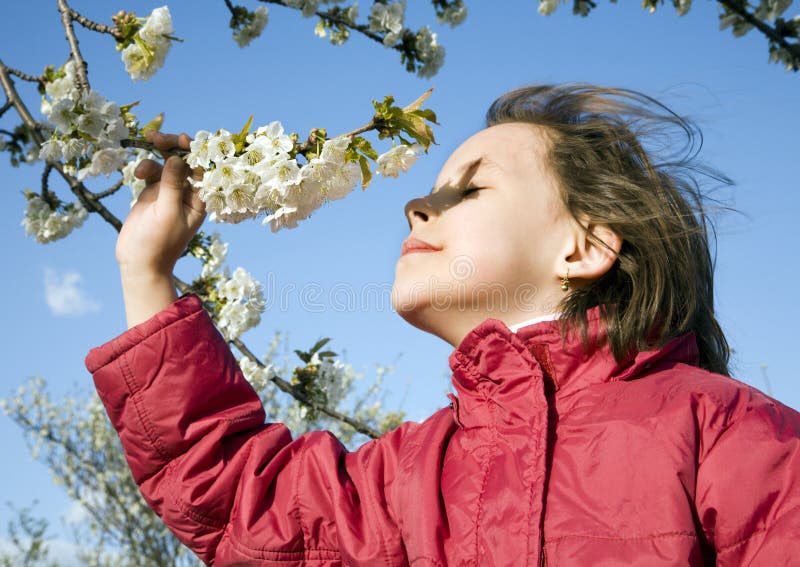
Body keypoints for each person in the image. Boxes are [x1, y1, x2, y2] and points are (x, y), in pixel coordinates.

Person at [86, 84, 800, 566]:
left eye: (469, 187)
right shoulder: (406, 476)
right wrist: (146, 271)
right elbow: (242, 499)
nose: (418, 207)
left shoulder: (724, 430)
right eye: (430, 188)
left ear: (582, 246)